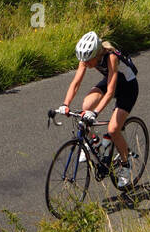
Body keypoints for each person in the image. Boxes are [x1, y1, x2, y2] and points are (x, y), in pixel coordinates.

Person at [58, 31, 139, 188]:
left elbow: (110, 92)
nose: (86, 64)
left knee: (114, 129)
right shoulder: (86, 58)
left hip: (128, 88)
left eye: (88, 61)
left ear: (96, 54)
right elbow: (76, 83)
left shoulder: (111, 57)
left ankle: (125, 165)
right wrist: (65, 104)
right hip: (110, 82)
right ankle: (94, 141)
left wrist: (95, 114)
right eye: (84, 60)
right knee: (86, 106)